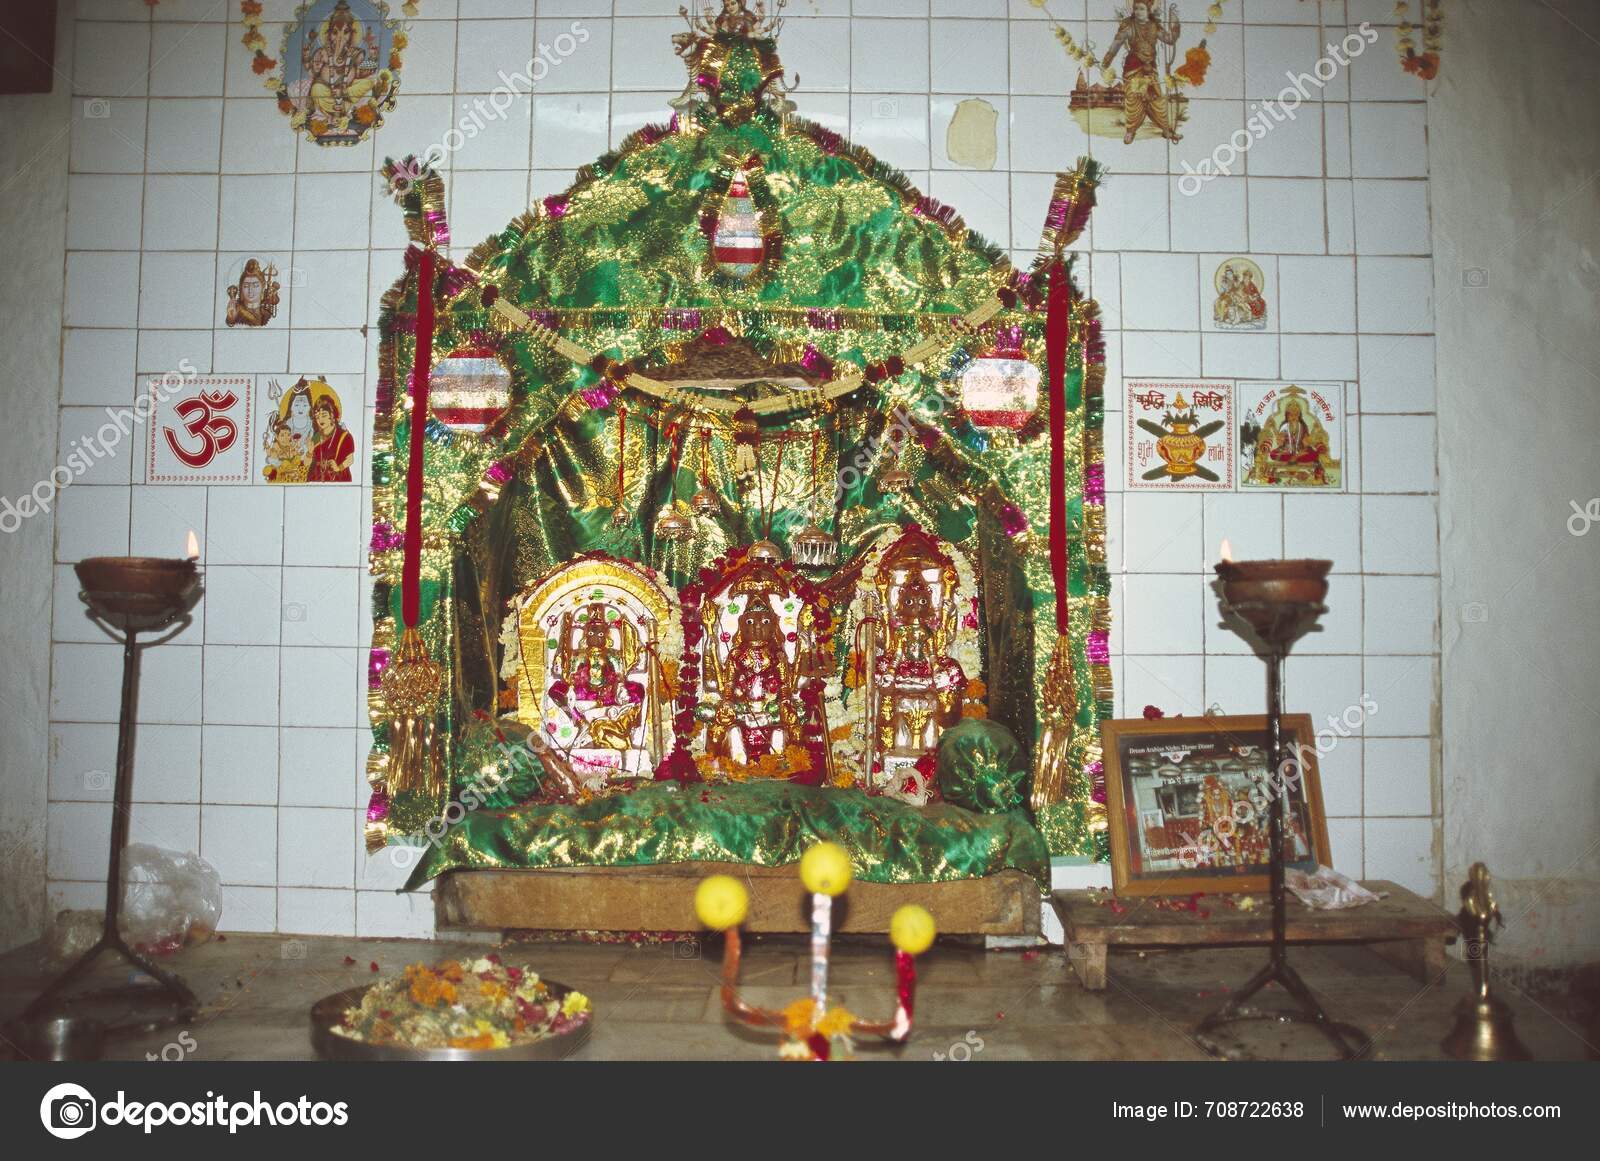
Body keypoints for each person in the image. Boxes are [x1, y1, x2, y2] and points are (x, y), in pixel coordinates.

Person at [1100, 1, 1183, 144]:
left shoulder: (1154, 26)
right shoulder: (1129, 25)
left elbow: (1169, 40)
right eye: (1135, 8)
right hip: (1133, 68)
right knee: (1133, 99)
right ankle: (1131, 131)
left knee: (1156, 98)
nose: (1138, 11)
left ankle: (1165, 129)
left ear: (1149, 10)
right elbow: (1116, 44)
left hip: (1150, 68)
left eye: (1142, 9)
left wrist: (1175, 24)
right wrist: (1106, 61)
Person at [306, 391, 356, 482]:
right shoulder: (316, 437)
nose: (320, 419)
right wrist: (309, 452)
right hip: (317, 479)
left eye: (324, 415)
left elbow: (350, 459)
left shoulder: (344, 436)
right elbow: (307, 463)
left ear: (332, 415)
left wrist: (338, 467)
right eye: (317, 416)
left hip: (338, 478)